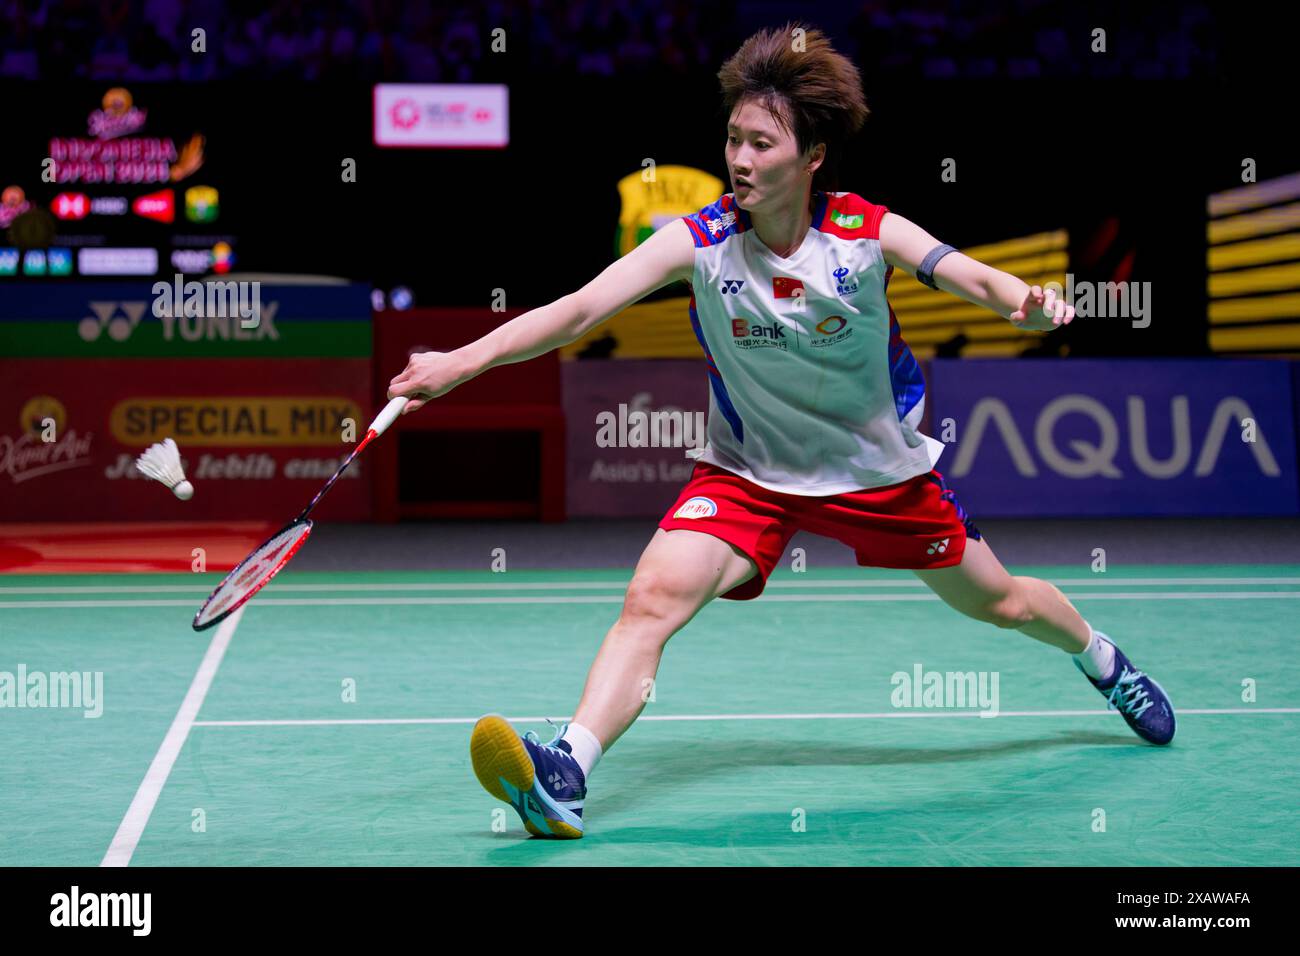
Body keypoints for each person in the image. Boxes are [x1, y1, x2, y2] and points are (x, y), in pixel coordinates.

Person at [386, 23, 1175, 840]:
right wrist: (460, 362)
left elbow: (957, 269)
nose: (740, 159)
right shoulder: (700, 242)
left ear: (813, 157)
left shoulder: (864, 234)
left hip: (878, 474)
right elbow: (577, 310)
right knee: (652, 598)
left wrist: (1020, 301)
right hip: (748, 474)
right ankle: (567, 772)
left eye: (762, 144)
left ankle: (1103, 661)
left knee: (1002, 602)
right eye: (734, 138)